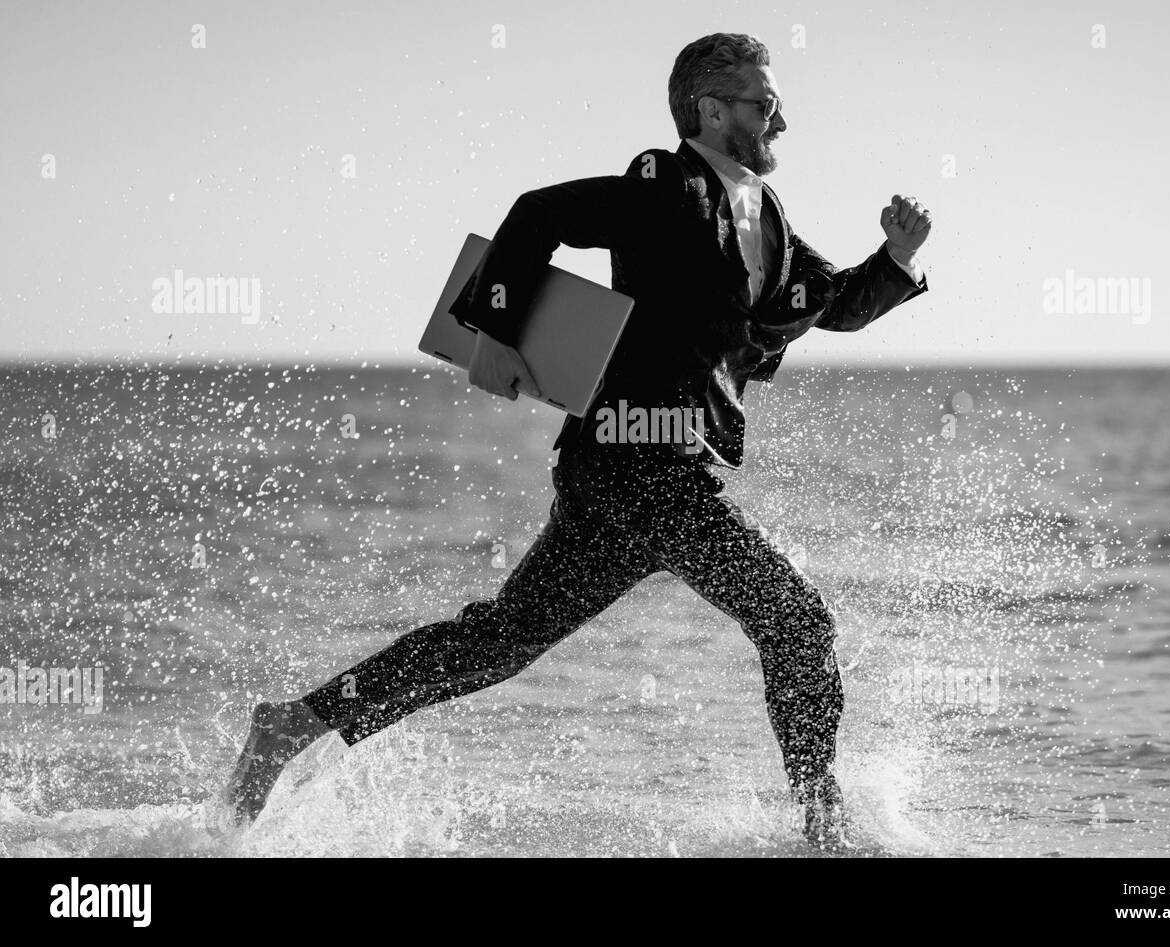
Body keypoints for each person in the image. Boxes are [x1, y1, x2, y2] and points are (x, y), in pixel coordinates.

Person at [224, 31, 932, 850]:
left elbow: (830, 302)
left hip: (644, 474)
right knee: (798, 622)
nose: (781, 121)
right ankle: (824, 826)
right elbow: (542, 213)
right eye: (765, 104)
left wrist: (897, 259)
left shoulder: (764, 214)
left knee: (499, 641)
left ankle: (292, 725)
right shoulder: (663, 183)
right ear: (709, 108)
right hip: (641, 470)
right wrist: (492, 326)